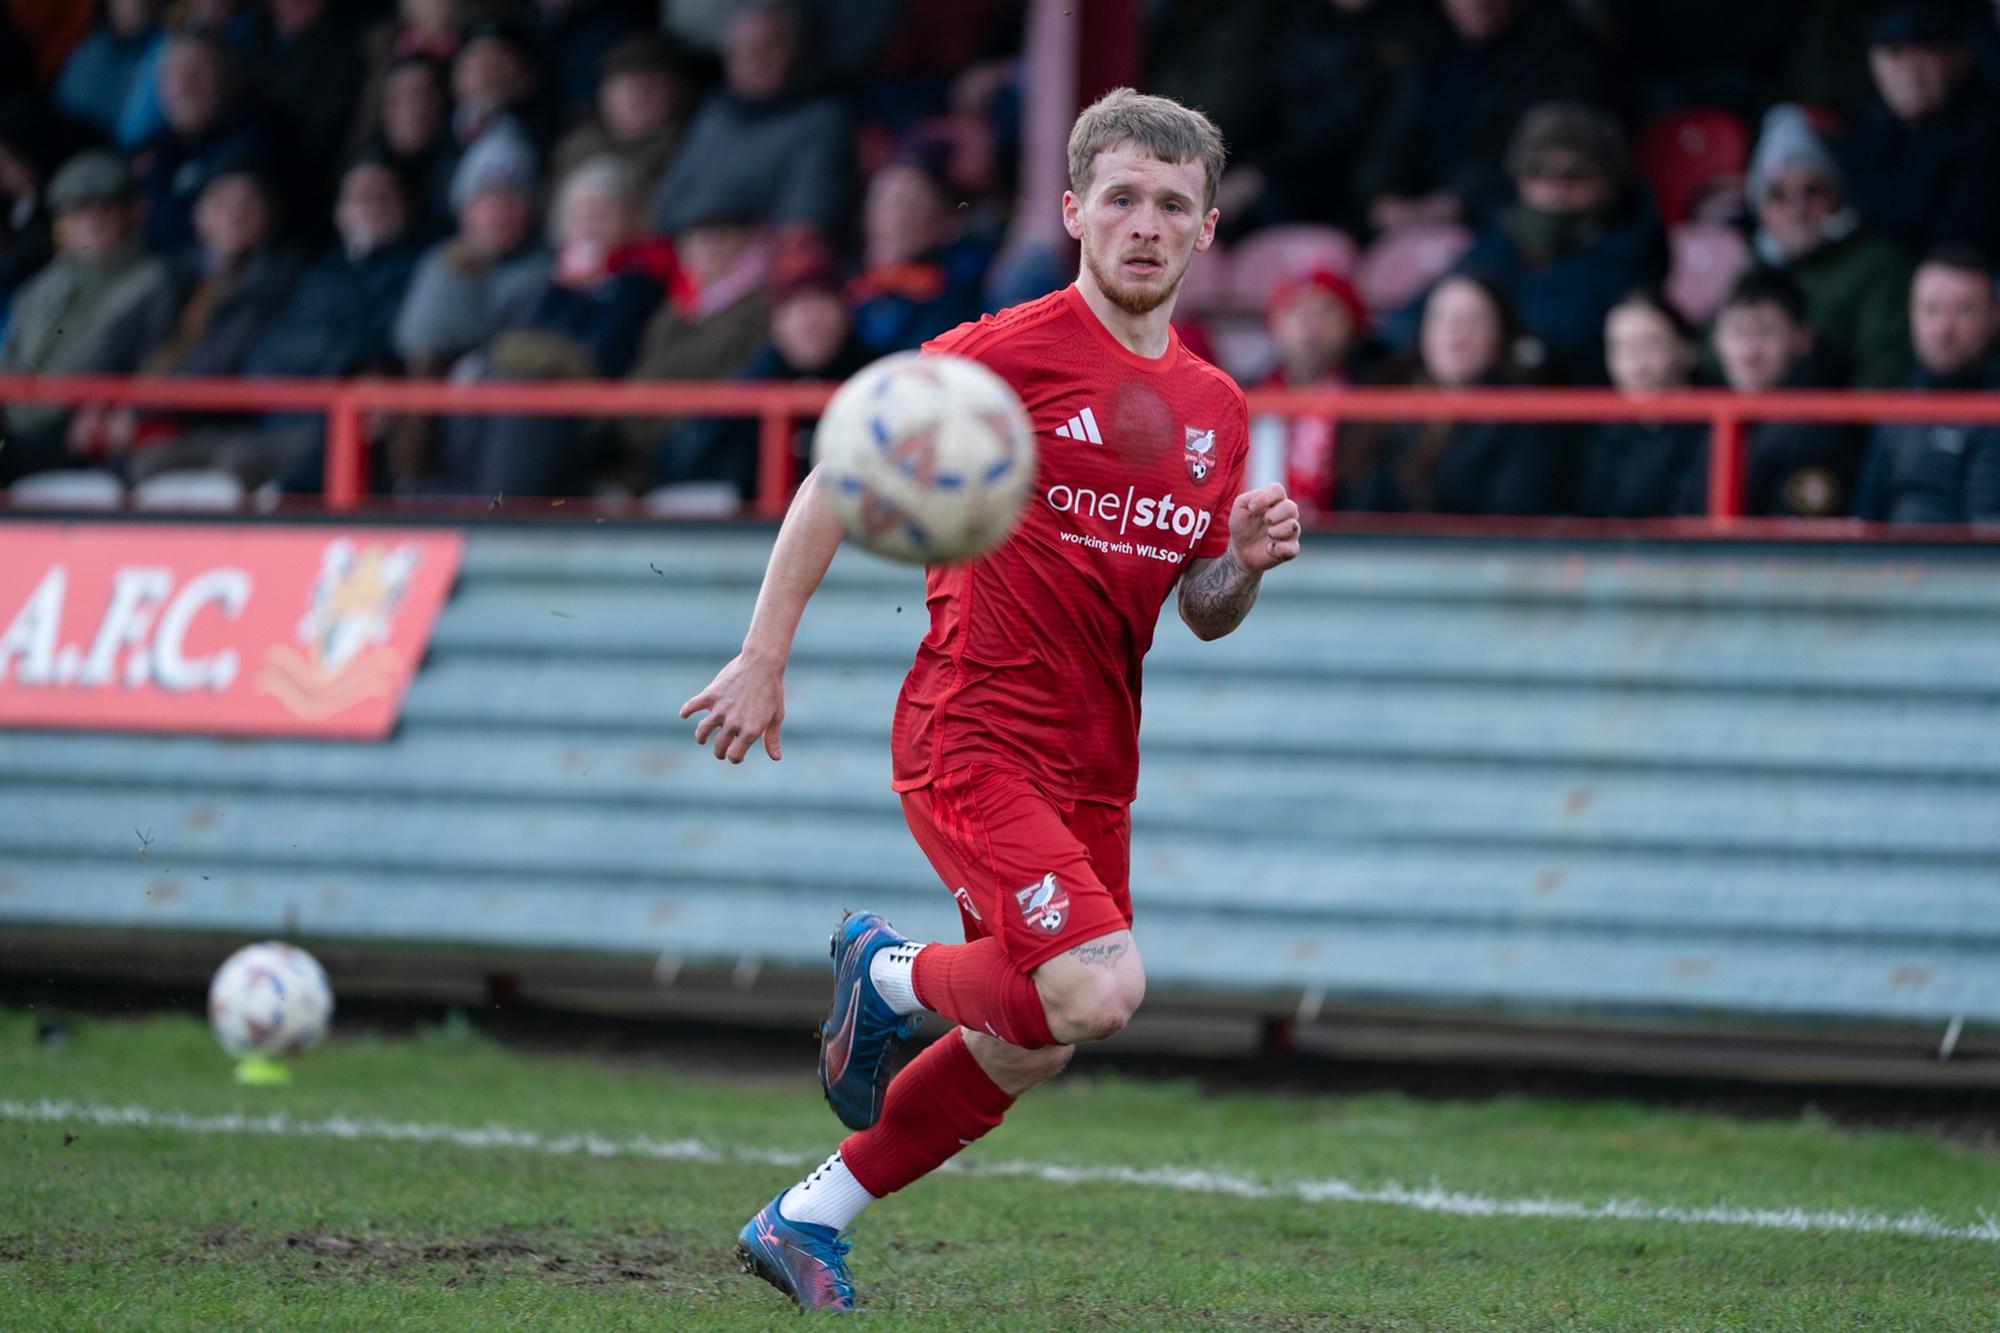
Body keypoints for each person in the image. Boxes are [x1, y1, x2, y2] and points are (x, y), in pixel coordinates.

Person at [685, 88, 1300, 1314]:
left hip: (1092, 760)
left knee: (1040, 1033)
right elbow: (832, 480)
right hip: (972, 731)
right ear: (1072, 211)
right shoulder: (995, 356)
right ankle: (892, 973)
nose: (1143, 224)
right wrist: (763, 655)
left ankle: (803, 1216)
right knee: (1099, 988)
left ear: (1205, 232)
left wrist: (1242, 563)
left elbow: (1200, 607)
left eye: (1170, 206)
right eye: (1119, 199)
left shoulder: (1216, 411)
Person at [70, 157, 299, 476]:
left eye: (249, 205)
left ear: (267, 220)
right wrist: (94, 403)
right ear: (199, 218)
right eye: (222, 203)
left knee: (136, 469)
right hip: (132, 417)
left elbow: (221, 360)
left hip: (200, 424)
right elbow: (118, 339)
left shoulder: (276, 282)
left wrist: (136, 412)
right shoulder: (178, 274)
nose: (235, 214)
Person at [1440, 101, 1666, 384]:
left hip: (1586, 415)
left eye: (1576, 175)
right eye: (1538, 172)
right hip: (1490, 412)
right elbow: (1409, 328)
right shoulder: (1494, 244)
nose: (1556, 190)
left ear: (1609, 183)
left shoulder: (1632, 252)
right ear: (1518, 178)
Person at [0, 151, 165, 484]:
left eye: (104, 210)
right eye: (77, 213)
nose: (92, 223)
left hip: (85, 429)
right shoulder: (42, 284)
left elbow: (138, 365)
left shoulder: (156, 281)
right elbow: (11, 355)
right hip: (16, 425)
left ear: (131, 214)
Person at [650, 255, 872, 500]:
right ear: (775, 322)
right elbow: (684, 456)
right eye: (797, 308)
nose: (811, 320)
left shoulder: (874, 378)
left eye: (822, 304)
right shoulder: (752, 382)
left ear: (845, 315)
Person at [1340, 272, 1564, 515]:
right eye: (1443, 318)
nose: (1456, 330)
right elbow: (1357, 505)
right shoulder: (1385, 408)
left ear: (1500, 334)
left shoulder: (1524, 417)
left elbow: (1513, 516)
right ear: (1423, 332)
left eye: (1473, 320)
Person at [647, 1, 852, 239]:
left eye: (768, 48)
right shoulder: (714, 112)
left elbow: (806, 218)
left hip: (758, 261)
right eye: (742, 51)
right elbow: (667, 203)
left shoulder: (820, 120)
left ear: (796, 51)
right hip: (687, 253)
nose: (754, 60)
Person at [1745, 103, 1914, 389]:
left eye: (1812, 191)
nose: (1796, 208)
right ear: (1760, 208)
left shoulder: (1877, 265)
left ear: (1836, 195)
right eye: (1778, 195)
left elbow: (1886, 369)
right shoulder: (1753, 267)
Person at [1834, 2, 2000, 261]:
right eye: (1894, 53)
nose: (1910, 70)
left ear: (1958, 58)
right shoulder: (1864, 133)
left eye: (1924, 50)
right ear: (1873, 64)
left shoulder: (1986, 130)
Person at [1853, 247, 2000, 523]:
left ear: (1994, 316)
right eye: (1930, 310)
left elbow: (1985, 533)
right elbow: (1863, 519)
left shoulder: (1994, 411)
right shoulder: (1896, 410)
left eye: (1963, 310)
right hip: (1885, 563)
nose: (1944, 329)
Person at [1711, 266, 1866, 518]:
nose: (1749, 352)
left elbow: (1797, 548)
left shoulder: (1816, 431)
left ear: (1802, 339)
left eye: (1765, 331)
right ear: (1717, 340)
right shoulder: (1705, 415)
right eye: (1738, 332)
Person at [1571, 288, 1707, 517]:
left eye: (1649, 343)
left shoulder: (1710, 429)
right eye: (1620, 346)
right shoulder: (1605, 431)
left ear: (1686, 350)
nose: (1634, 359)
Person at [847, 154, 994, 356]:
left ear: (938, 218)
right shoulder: (848, 283)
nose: (898, 217)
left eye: (911, 205)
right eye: (888, 203)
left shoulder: (963, 276)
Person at [1257, 268, 1373, 515]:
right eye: (1295, 311)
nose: (1309, 325)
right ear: (1274, 324)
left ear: (1352, 326)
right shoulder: (1246, 400)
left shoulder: (1372, 404)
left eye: (1325, 312)